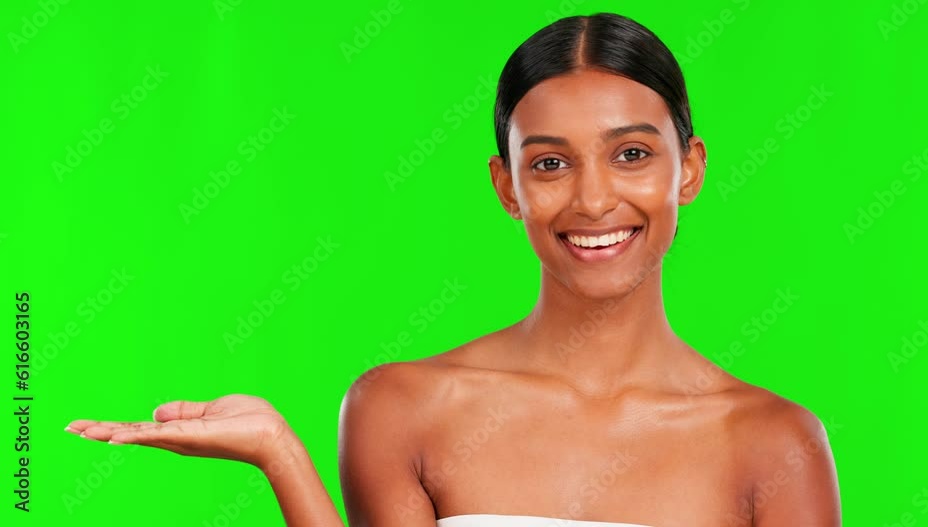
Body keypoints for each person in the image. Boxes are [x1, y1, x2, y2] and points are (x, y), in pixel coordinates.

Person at [67, 12, 841, 526]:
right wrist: (280, 451)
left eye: (632, 154)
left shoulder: (776, 443)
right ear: (508, 186)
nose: (595, 198)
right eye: (549, 163)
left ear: (691, 170)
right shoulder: (403, 407)